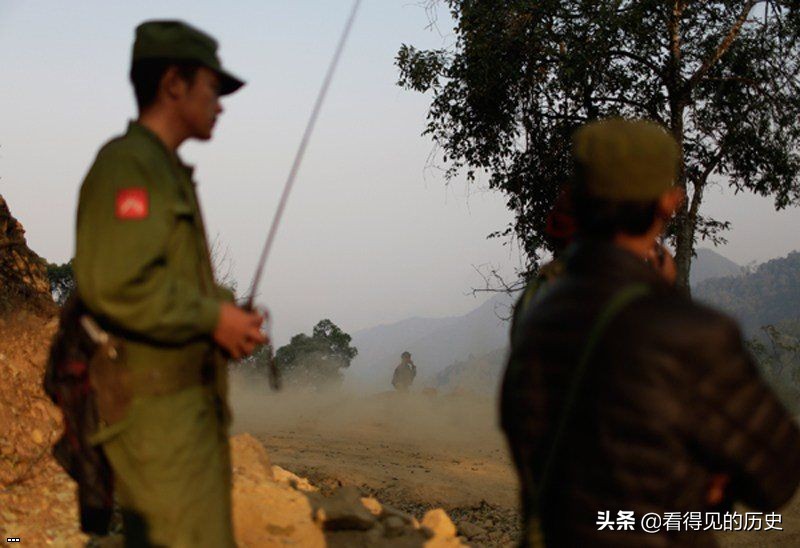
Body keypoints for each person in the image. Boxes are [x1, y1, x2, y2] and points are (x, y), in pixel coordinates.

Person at [500, 118, 800, 547]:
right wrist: (709, 492)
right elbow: (778, 477)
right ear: (670, 202)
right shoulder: (687, 331)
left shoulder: (535, 316)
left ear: (577, 201)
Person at [73, 20, 266, 547]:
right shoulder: (128, 168)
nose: (220, 104)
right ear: (174, 84)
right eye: (213, 88)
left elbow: (166, 280)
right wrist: (212, 319)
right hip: (156, 424)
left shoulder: (164, 171)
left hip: (184, 416)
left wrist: (229, 315)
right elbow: (115, 284)